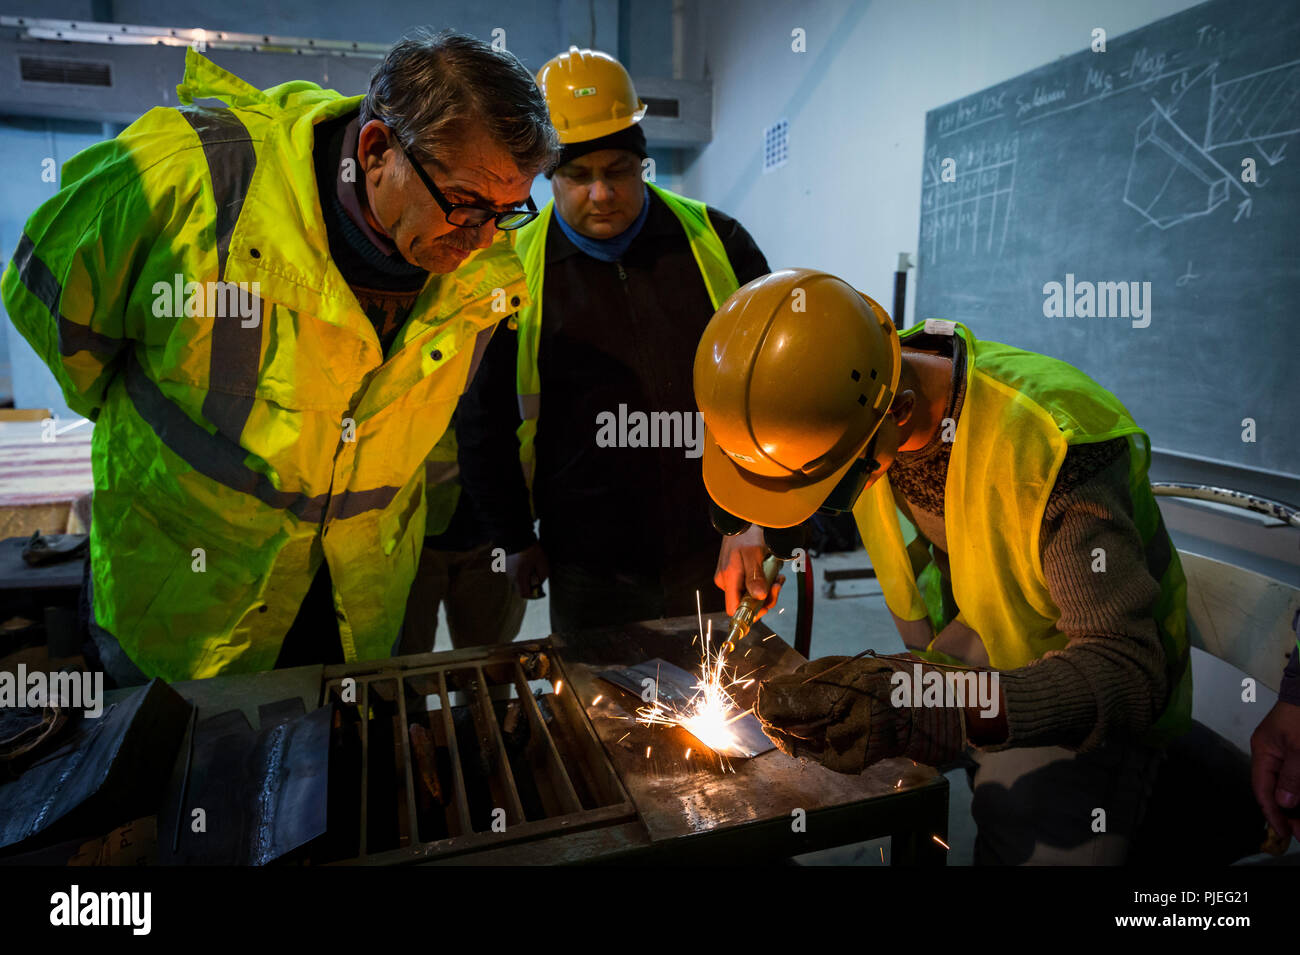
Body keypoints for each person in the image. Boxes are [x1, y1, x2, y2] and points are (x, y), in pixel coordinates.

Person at [1, 30, 556, 683]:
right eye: (465, 205)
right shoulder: (183, 181)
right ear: (378, 152)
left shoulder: (481, 262)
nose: (485, 236)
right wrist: (139, 423)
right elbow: (49, 309)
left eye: (509, 210)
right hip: (186, 605)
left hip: (356, 615)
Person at [699, 268, 1191, 865]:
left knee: (1021, 829)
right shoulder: (860, 373)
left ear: (901, 413)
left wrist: (947, 705)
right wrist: (762, 519)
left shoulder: (1054, 447)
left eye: (825, 484)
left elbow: (1127, 672)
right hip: (968, 637)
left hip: (1068, 681)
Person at [457, 47, 769, 634]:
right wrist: (515, 538)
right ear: (549, 175)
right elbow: (485, 419)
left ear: (642, 165)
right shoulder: (510, 272)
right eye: (579, 176)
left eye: (618, 171)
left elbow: (778, 394)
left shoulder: (717, 243)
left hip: (715, 546)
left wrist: (757, 523)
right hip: (587, 564)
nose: (601, 194)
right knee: (598, 713)